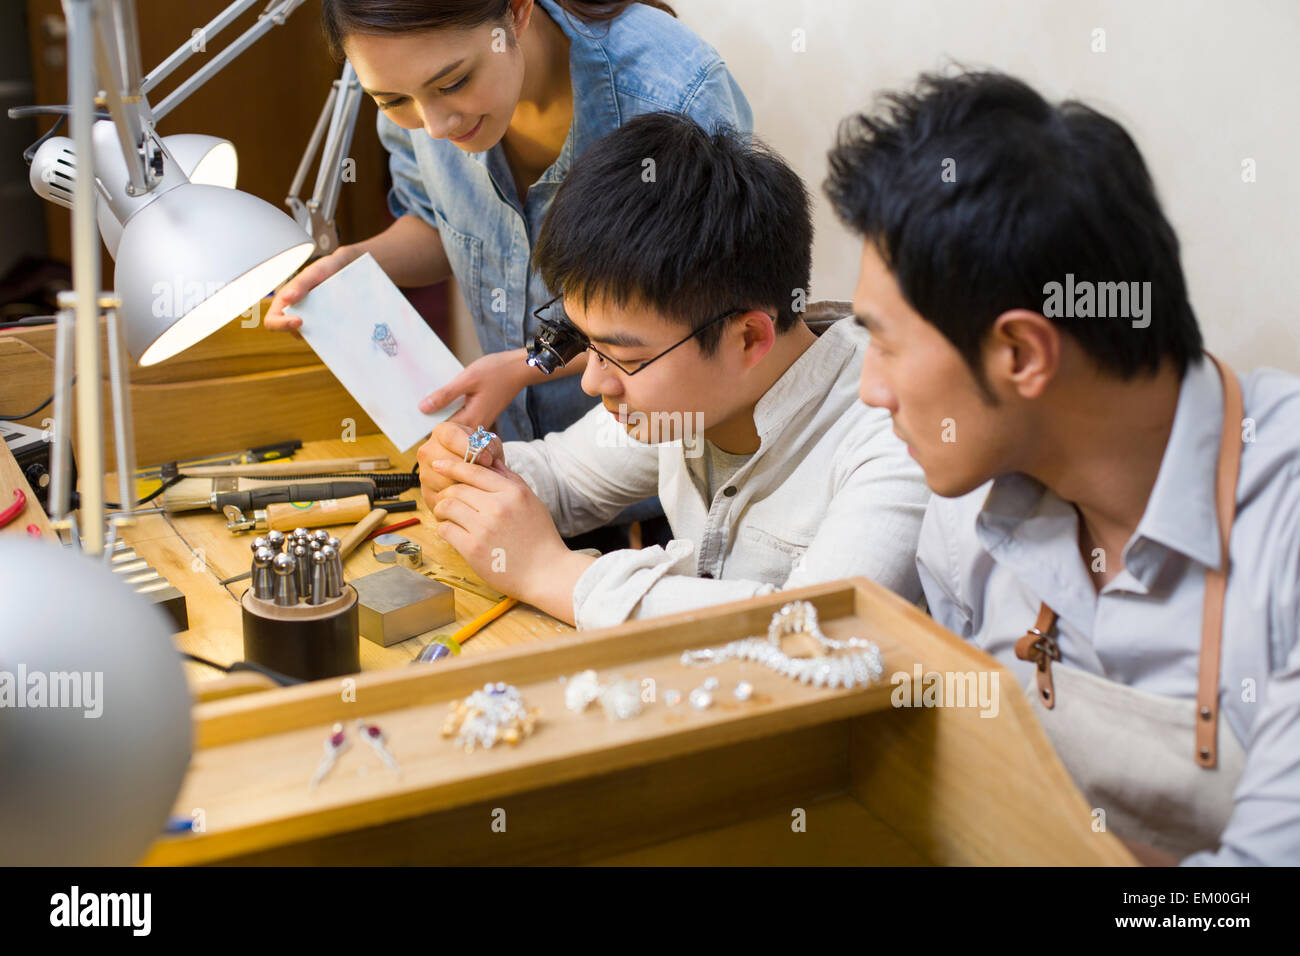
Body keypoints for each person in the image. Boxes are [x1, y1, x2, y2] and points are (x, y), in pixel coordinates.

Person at [825, 70, 1300, 866]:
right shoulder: (959, 514)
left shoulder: (1282, 526)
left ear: (1021, 352)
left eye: (885, 343)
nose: (871, 390)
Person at [416, 112, 929, 629]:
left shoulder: (898, 438)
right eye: (586, 343)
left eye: (626, 358)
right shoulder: (687, 401)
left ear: (748, 338)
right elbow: (563, 477)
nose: (593, 381)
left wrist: (551, 573)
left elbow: (813, 631)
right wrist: (474, 476)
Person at [263, 0, 751, 449]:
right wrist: (352, 263)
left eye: (453, 83)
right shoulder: (410, 82)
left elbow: (698, 311)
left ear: (517, 10)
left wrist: (525, 367)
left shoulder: (672, 93)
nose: (434, 126)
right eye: (392, 101)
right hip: (533, 464)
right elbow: (440, 226)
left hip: (665, 456)